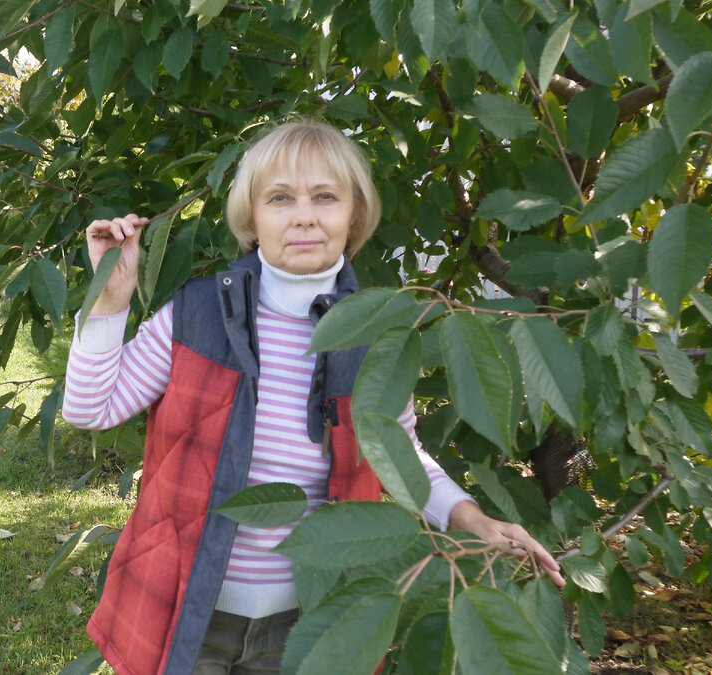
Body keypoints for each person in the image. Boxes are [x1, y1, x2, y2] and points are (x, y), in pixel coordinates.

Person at [62, 120, 564, 675]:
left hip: (309, 619)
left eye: (325, 196)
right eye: (280, 198)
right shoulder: (196, 314)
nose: (304, 215)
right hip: (184, 606)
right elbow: (90, 408)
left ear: (354, 215)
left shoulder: (376, 336)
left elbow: (396, 453)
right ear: (251, 217)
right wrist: (110, 298)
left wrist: (472, 520)